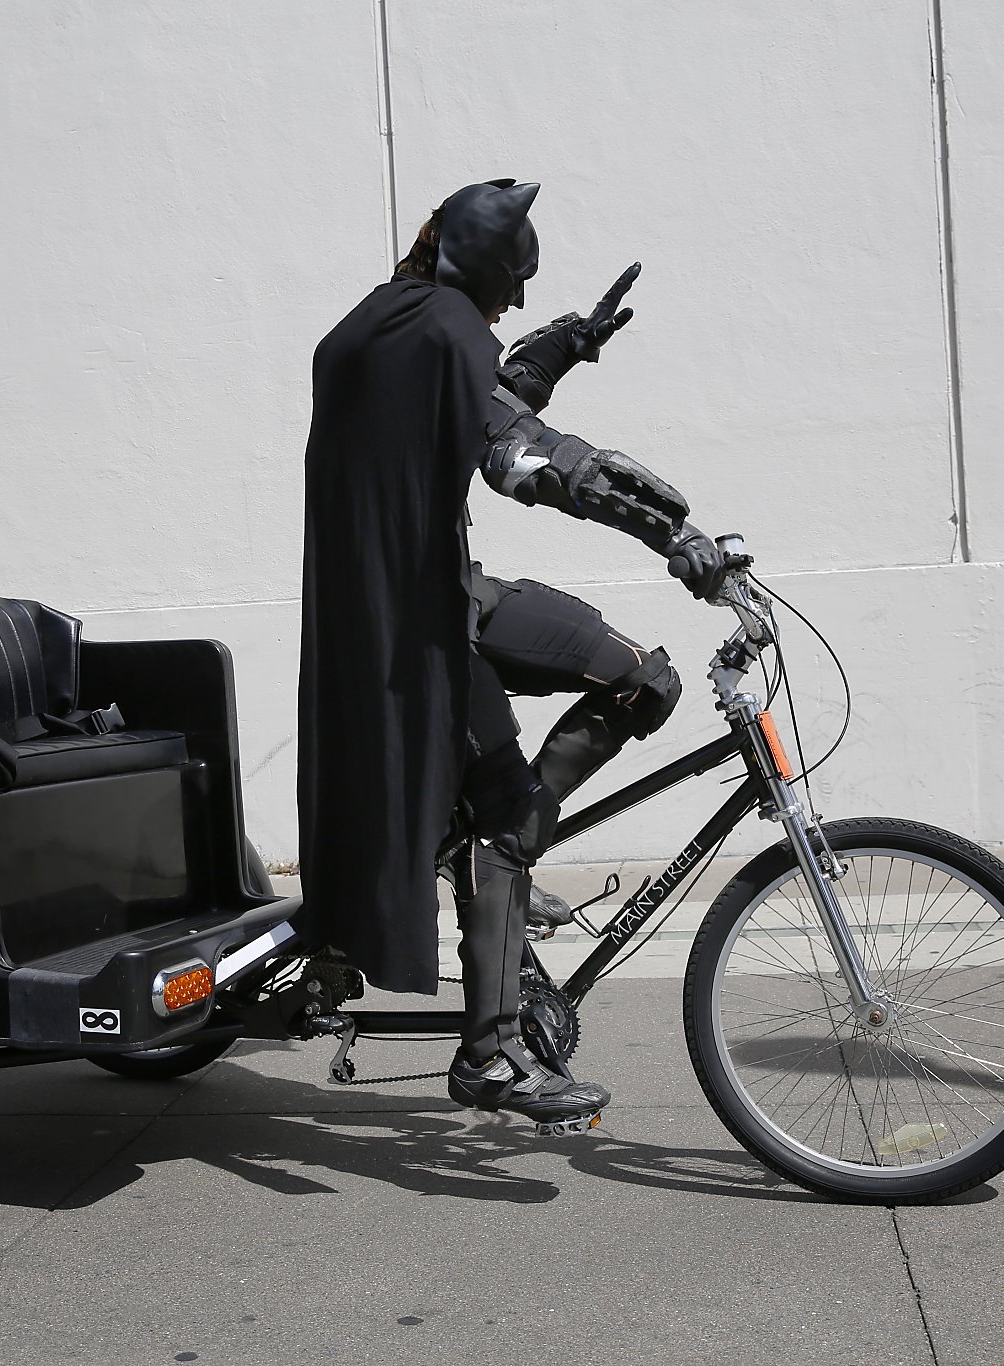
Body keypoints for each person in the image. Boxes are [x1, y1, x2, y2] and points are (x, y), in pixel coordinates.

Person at [297, 181, 724, 1123]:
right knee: (512, 813)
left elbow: (482, 401)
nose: (520, 301)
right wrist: (674, 535)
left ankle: (498, 854)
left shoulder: (390, 321)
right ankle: (488, 1050)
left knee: (638, 680)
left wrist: (566, 347)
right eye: (516, 280)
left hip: (441, 596)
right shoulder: (440, 326)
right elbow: (520, 454)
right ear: (483, 264)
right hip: (419, 626)